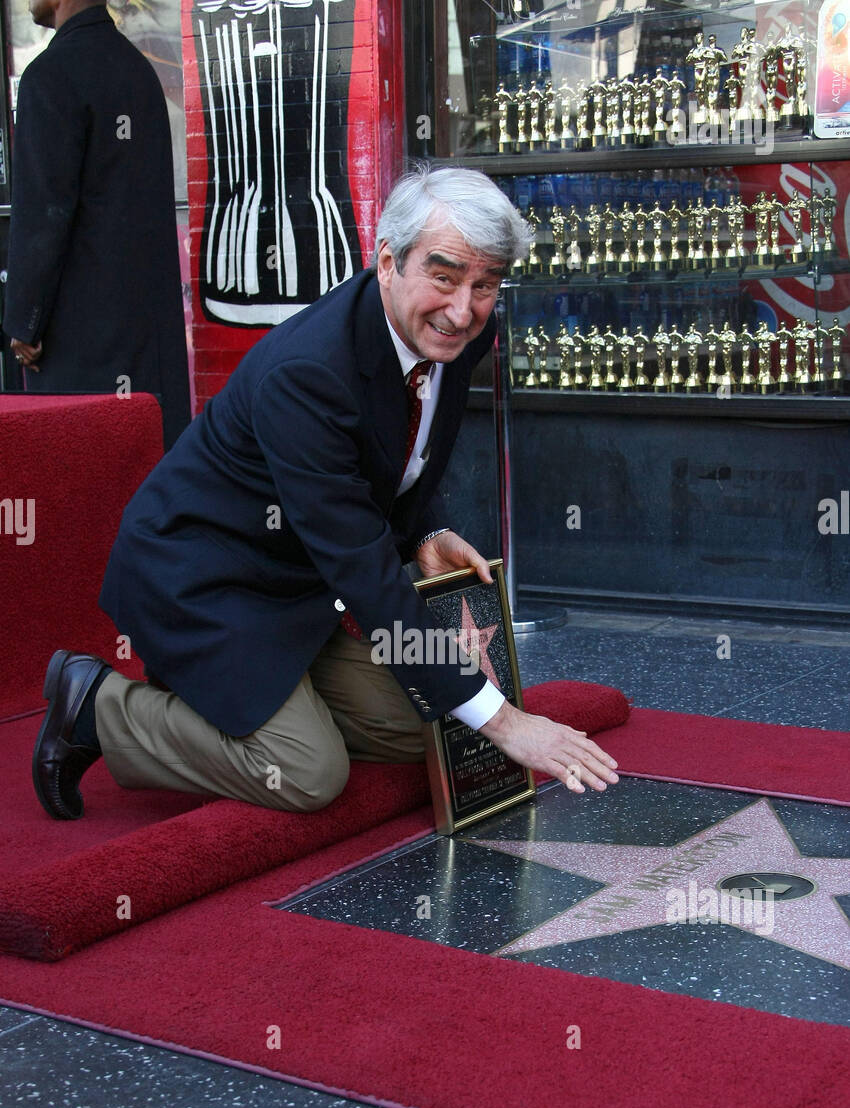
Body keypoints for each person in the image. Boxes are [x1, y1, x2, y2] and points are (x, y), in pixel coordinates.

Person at [32, 166, 618, 821]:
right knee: (310, 771)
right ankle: (95, 705)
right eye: (445, 276)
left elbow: (399, 456)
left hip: (299, 587)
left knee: (416, 725)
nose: (463, 309)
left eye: (485, 285)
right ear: (388, 261)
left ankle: (257, 698)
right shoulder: (310, 372)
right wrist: (507, 722)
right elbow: (361, 568)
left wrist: (425, 533)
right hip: (200, 580)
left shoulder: (451, 333)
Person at [3, 0, 190, 449]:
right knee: (144, 480)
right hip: (146, 351)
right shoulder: (137, 71)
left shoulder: (51, 75)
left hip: (81, 348)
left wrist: (24, 324)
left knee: (84, 487)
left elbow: (42, 215)